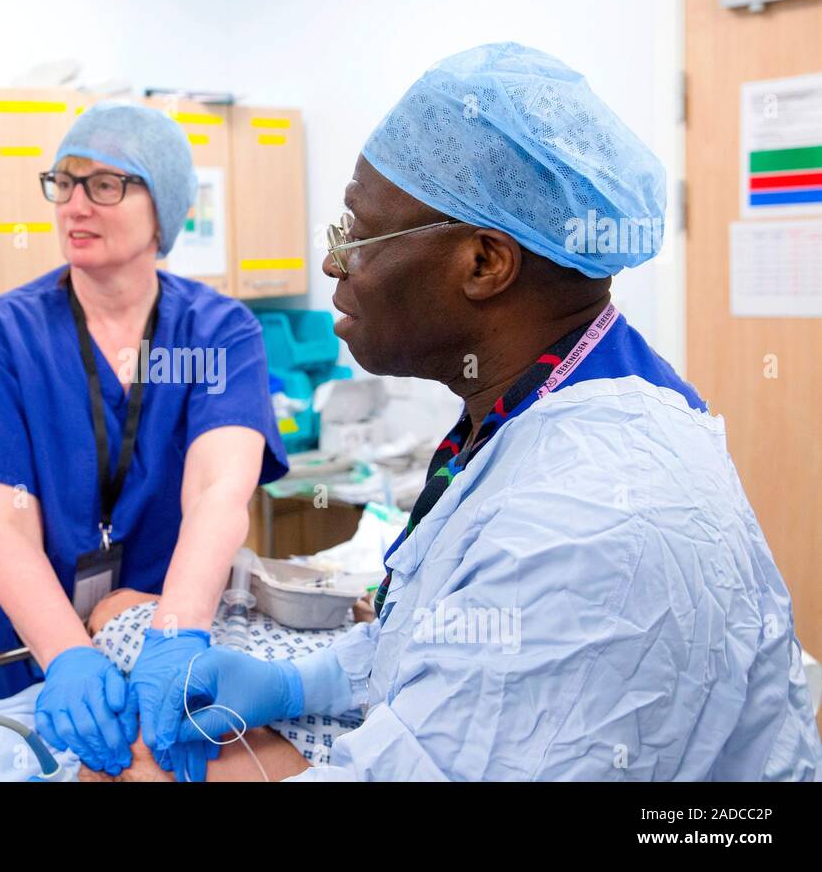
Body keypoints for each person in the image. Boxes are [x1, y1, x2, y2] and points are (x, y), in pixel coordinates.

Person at [153, 42, 822, 781]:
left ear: (483, 263)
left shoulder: (588, 515)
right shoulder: (547, 399)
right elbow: (447, 634)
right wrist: (299, 682)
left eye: (360, 233)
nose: (333, 264)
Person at [0, 102, 287, 778]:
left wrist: (178, 631)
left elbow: (219, 489)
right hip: (30, 641)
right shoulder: (5, 334)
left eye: (105, 184)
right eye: (64, 182)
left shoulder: (218, 330)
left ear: (164, 209)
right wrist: (67, 656)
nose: (75, 205)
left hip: (154, 630)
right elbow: (3, 530)